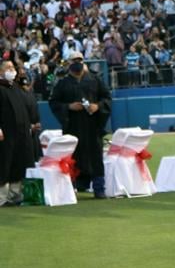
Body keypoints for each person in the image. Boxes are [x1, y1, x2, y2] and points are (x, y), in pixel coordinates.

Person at [48, 53, 112, 199]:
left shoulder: (95, 80)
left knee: (95, 157)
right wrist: (69, 107)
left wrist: (98, 106)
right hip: (73, 127)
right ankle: (72, 189)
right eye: (74, 61)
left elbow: (107, 98)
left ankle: (99, 188)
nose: (77, 63)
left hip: (92, 126)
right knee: (74, 158)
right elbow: (54, 102)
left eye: (79, 60)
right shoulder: (62, 83)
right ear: (69, 63)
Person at [0, 61, 35, 206]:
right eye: (7, 68)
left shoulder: (16, 88)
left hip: (20, 132)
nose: (11, 70)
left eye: (12, 67)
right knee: (4, 162)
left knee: (18, 162)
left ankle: (15, 195)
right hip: (5, 133)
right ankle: (2, 196)